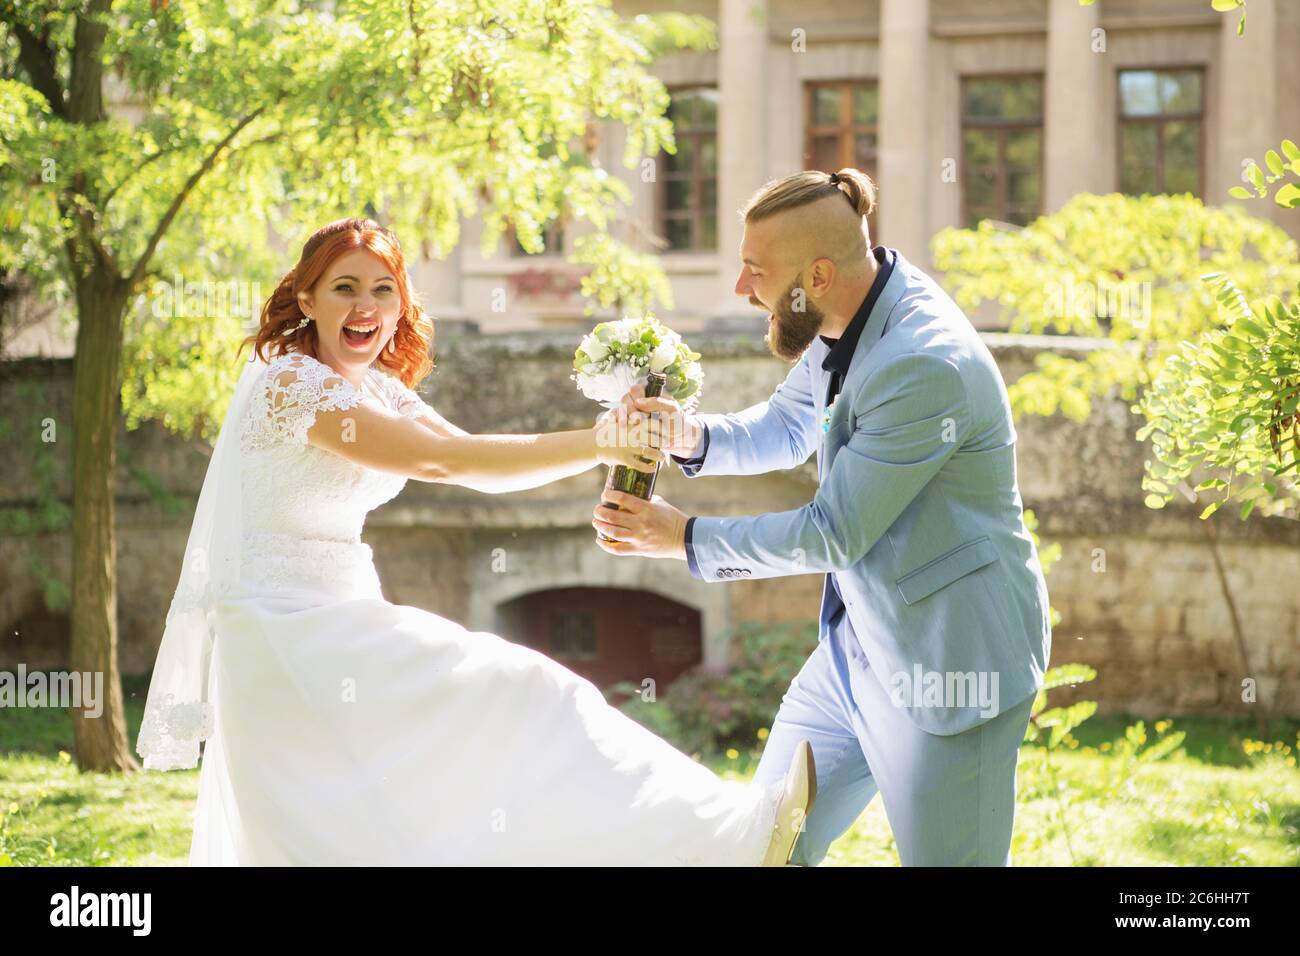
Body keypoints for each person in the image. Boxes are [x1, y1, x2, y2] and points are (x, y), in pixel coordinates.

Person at [136, 216, 815, 866]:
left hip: (342, 620)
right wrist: (601, 441)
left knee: (460, 767)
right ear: (307, 298)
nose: (365, 305)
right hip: (283, 634)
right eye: (345, 287)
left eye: (383, 290)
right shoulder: (290, 383)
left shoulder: (380, 389)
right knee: (515, 703)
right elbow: (438, 465)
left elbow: (470, 459)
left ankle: (725, 842)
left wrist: (605, 438)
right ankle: (734, 842)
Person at [592, 169, 1052, 866]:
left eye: (755, 271)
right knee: (763, 849)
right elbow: (784, 427)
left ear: (818, 272)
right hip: (851, 655)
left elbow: (831, 532)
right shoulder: (846, 311)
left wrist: (681, 538)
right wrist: (687, 434)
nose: (742, 290)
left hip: (950, 668)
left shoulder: (925, 364)